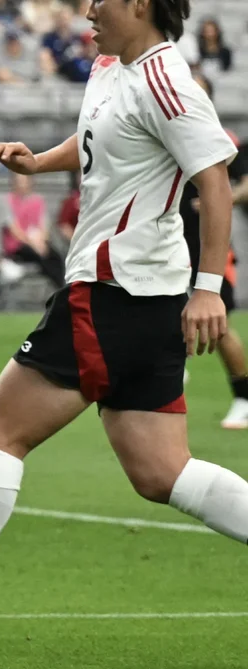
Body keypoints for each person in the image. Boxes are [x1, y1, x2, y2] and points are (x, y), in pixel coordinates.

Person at [0, 0, 244, 643]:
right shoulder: (109, 66)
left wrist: (209, 289)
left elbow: (213, 179)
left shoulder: (166, 79)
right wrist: (39, 162)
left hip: (111, 292)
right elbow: (102, 142)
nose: (90, 7)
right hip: (140, 297)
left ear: (143, 6)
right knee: (161, 473)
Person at [179, 73, 248, 429]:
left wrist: (219, 198)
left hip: (212, 248)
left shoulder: (222, 138)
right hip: (173, 245)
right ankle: (171, 370)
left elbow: (244, 184)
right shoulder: (171, 132)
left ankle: (244, 397)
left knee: (218, 328)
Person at [2, 172, 63, 284]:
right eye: (18, 181)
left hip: (38, 243)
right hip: (18, 246)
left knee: (56, 257)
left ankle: (64, 289)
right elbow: (14, 230)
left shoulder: (38, 200)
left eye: (24, 181)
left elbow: (44, 226)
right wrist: (33, 244)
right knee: (42, 259)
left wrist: (41, 242)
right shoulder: (8, 201)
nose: (22, 185)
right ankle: (60, 289)